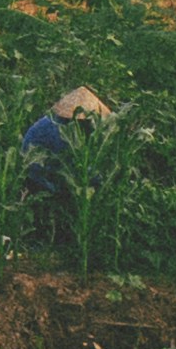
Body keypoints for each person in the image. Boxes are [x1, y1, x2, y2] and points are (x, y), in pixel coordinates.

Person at [17, 85, 113, 238]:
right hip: (36, 173)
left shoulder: (68, 125)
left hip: (48, 168)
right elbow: (67, 164)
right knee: (64, 198)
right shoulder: (59, 129)